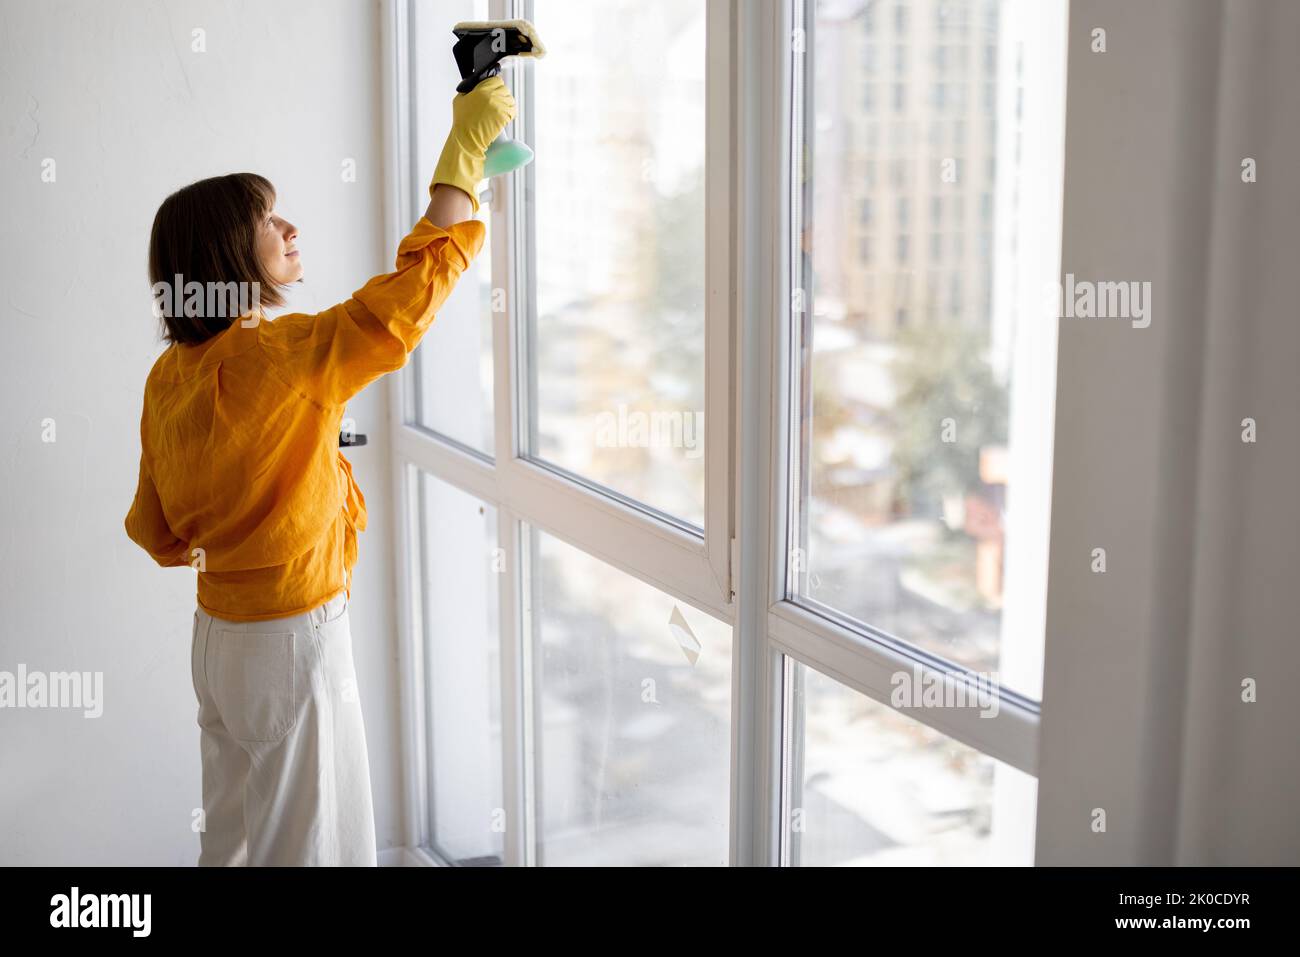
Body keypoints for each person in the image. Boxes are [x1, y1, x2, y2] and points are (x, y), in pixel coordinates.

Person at [124, 76, 517, 866]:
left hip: (217, 644)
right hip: (287, 646)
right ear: (229, 252)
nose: (290, 226)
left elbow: (158, 532)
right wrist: (463, 155)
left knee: (233, 844)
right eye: (269, 218)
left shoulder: (170, 376)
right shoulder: (285, 354)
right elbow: (408, 298)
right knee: (312, 849)